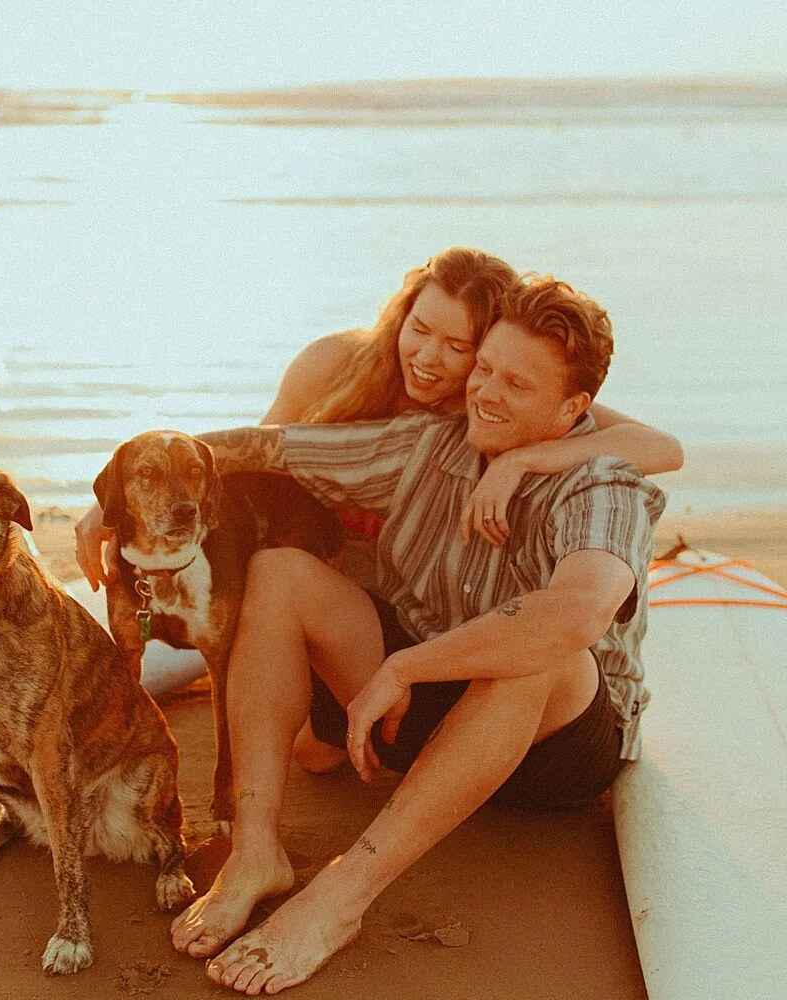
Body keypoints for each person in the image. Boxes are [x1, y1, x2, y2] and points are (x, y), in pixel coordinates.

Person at [166, 274, 666, 994]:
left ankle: (341, 898)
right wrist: (125, 478)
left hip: (551, 749)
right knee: (280, 573)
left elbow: (577, 615)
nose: (486, 393)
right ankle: (254, 853)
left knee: (538, 651)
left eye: (515, 385)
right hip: (422, 713)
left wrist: (408, 667)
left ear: (573, 408)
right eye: (484, 368)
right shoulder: (428, 443)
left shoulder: (603, 484)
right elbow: (268, 447)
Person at [73, 246, 681, 771]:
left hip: (380, 588)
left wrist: (523, 463)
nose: (428, 355)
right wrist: (119, 494)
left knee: (320, 747)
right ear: (401, 314)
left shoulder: (481, 417)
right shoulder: (335, 363)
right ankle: (214, 659)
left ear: (488, 349)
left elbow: (662, 448)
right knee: (202, 677)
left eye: (457, 345)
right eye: (419, 328)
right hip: (287, 567)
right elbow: (247, 467)